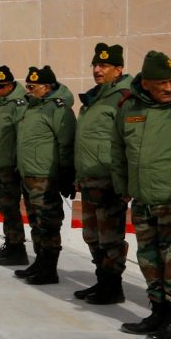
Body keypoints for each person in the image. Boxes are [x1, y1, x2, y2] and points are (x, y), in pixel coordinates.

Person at [112, 51, 171, 339]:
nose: (169, 88)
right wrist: (122, 186)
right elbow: (118, 151)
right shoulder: (129, 107)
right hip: (143, 199)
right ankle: (158, 313)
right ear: (146, 83)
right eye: (162, 83)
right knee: (149, 259)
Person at [73, 43, 131, 305]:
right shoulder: (94, 98)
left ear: (118, 69)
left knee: (110, 238)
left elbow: (128, 141)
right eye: (95, 65)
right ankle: (102, 281)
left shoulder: (124, 98)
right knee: (92, 236)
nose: (97, 70)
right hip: (89, 180)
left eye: (104, 66)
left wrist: (123, 183)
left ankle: (113, 286)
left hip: (109, 181)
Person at [14, 65, 75, 285]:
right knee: (36, 221)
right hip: (28, 175)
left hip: (45, 176)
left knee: (48, 223)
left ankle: (50, 268)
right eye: (27, 85)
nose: (28, 90)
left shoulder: (57, 109)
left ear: (46, 87)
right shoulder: (32, 108)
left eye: (32, 86)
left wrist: (67, 172)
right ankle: (40, 262)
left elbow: (66, 142)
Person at [0, 65, 29, 266]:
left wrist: (19, 166)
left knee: (12, 208)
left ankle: (18, 249)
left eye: (0, 86)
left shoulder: (19, 105)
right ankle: (12, 245)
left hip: (12, 166)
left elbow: (22, 138)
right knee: (6, 209)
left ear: (11, 85)